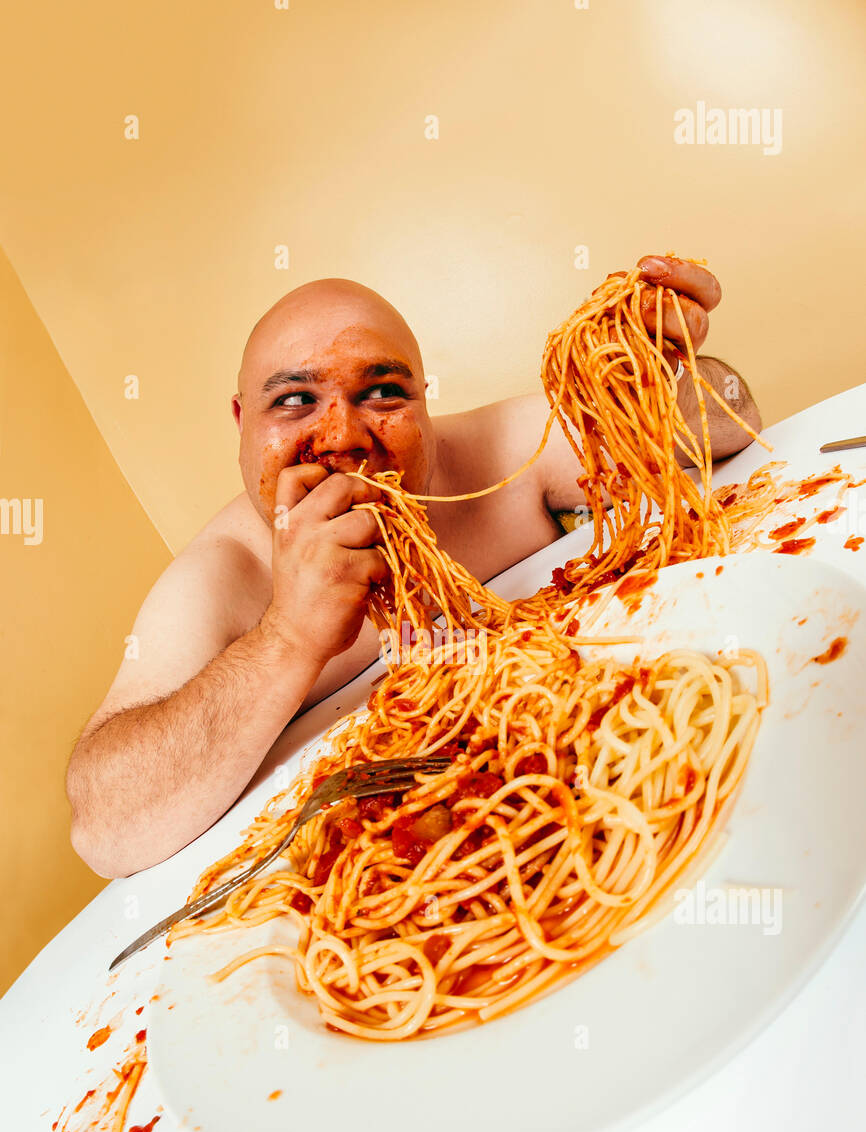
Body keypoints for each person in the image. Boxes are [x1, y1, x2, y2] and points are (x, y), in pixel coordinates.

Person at [67, 256, 761, 878]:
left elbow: (722, 429)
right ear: (242, 420)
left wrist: (658, 370)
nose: (341, 436)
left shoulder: (494, 456)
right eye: (295, 400)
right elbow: (103, 827)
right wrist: (288, 639)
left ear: (424, 405)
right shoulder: (223, 578)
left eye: (382, 393)